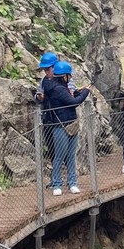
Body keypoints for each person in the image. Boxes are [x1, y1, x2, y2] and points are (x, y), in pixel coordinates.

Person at [41, 61, 89, 194]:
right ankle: (57, 184)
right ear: (64, 76)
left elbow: (70, 99)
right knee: (60, 156)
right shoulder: (58, 89)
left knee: (70, 155)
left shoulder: (60, 87)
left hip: (70, 124)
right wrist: (86, 92)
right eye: (69, 75)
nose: (71, 78)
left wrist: (79, 93)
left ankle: (72, 183)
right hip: (61, 126)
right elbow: (73, 102)